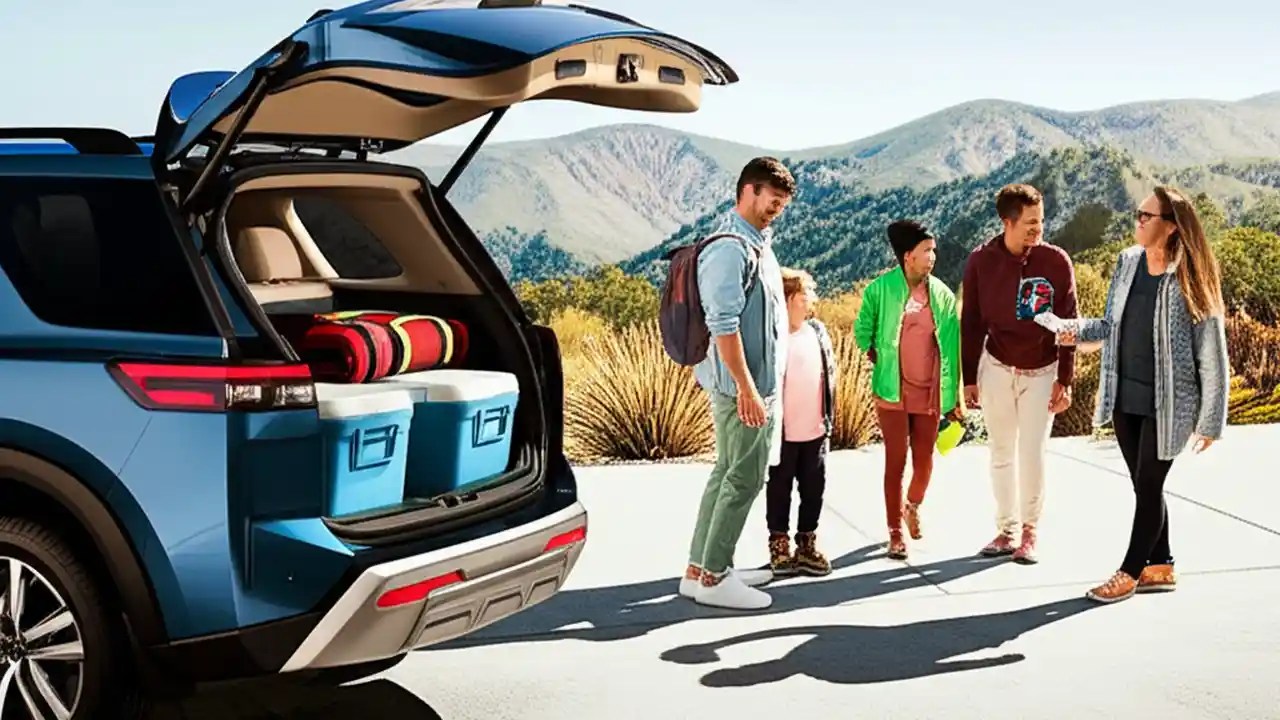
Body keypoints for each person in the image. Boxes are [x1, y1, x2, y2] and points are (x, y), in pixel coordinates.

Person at [1053, 186, 1229, 604]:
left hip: (1171, 404)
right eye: (1138, 214)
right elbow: (1111, 324)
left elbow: (1212, 353)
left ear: (1170, 228)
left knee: (1149, 484)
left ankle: (1129, 571)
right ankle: (1161, 564)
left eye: (1146, 216)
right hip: (1124, 395)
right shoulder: (1128, 263)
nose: (1138, 221)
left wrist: (1211, 420)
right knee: (1143, 485)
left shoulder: (1190, 275)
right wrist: (1073, 331)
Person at [679, 156, 796, 611]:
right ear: (748, 190)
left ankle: (699, 568)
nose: (776, 211)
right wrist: (749, 389)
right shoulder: (731, 248)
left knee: (726, 473)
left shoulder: (755, 242)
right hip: (742, 389)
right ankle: (715, 576)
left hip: (747, 386)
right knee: (744, 479)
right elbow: (723, 325)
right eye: (772, 201)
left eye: (782, 205)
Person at [961, 183, 1077, 564]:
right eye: (1029, 223)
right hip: (996, 368)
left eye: (1040, 221)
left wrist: (1066, 377)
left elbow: (1069, 323)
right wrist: (970, 379)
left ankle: (1030, 531)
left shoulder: (1056, 262)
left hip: (1042, 371)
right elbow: (973, 322)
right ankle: (1006, 530)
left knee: (1031, 452)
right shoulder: (981, 261)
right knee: (1000, 451)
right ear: (1006, 222)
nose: (1037, 229)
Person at [855, 220, 963, 560]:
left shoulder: (942, 295)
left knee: (925, 462)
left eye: (933, 250)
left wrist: (954, 397)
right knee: (895, 461)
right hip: (891, 390)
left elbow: (952, 346)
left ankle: (912, 505)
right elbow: (863, 332)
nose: (933, 256)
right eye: (926, 251)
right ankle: (894, 532)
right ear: (907, 256)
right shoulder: (879, 290)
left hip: (929, 391)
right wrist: (882, 356)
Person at [766, 268, 837, 577]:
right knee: (779, 490)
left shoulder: (817, 332)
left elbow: (828, 374)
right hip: (783, 434)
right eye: (807, 294)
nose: (812, 300)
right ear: (790, 299)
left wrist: (828, 419)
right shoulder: (775, 337)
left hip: (815, 431)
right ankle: (779, 545)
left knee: (814, 490)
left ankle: (806, 544)